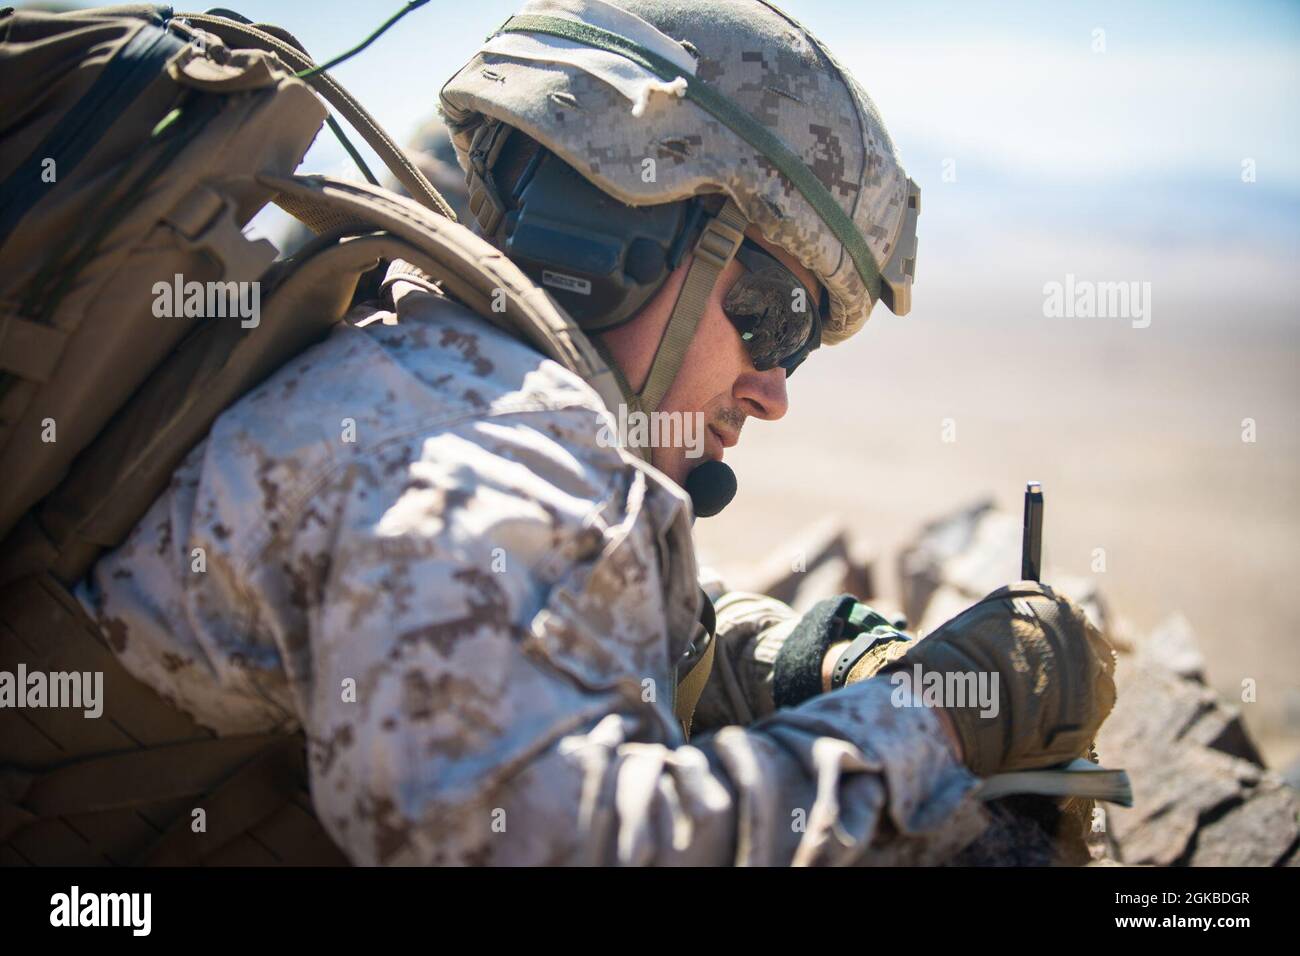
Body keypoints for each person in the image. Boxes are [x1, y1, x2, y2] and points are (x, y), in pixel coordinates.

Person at [76, 0, 1116, 865]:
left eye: (792, 348)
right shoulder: (475, 449)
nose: (771, 390)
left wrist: (791, 663)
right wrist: (934, 721)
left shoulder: (422, 364)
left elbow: (520, 628)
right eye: (770, 317)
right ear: (619, 233)